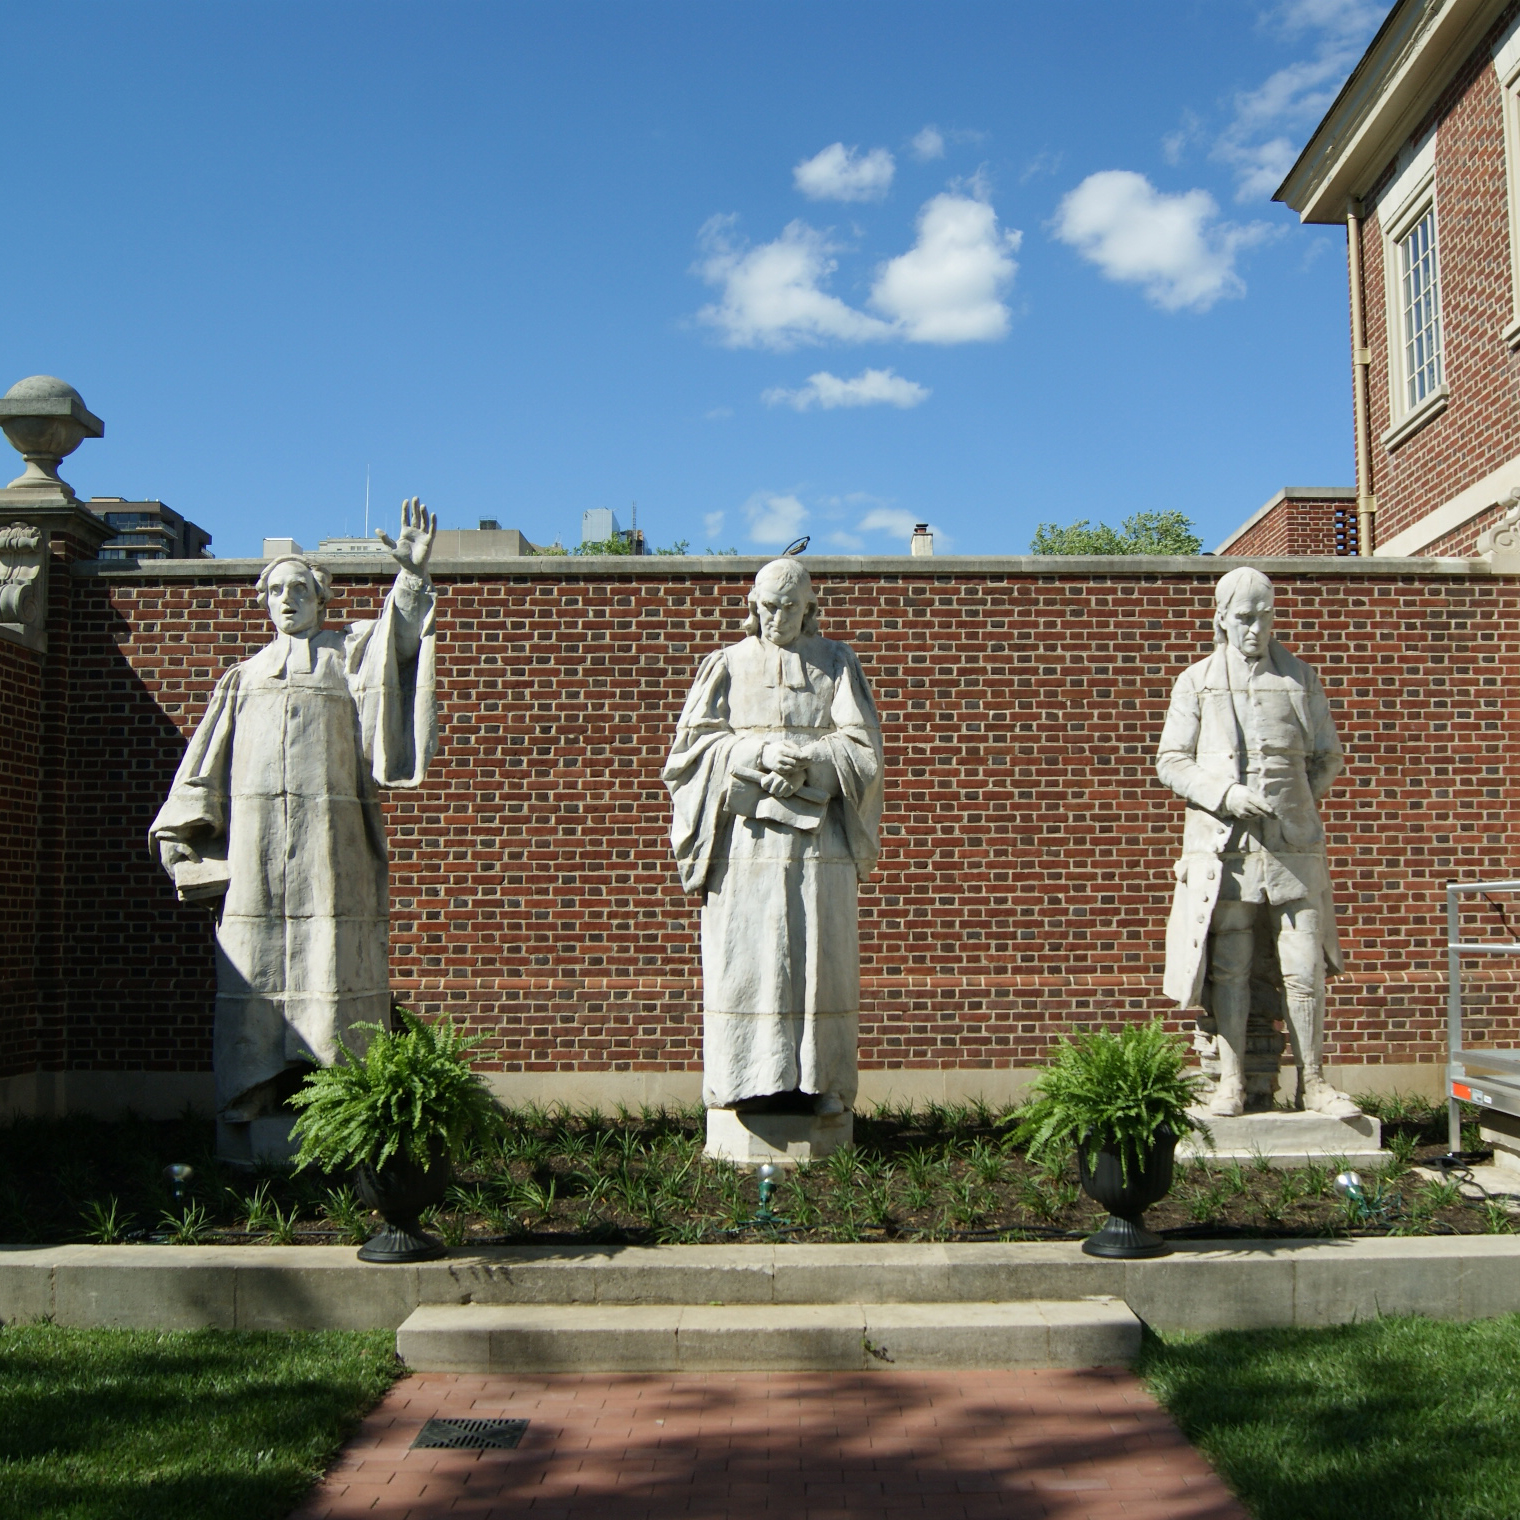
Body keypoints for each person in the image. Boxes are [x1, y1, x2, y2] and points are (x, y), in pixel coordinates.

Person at [150, 499, 439, 1150]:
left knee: (330, 978)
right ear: (264, 601)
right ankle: (250, 1104)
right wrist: (183, 842)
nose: (286, 599)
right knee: (254, 988)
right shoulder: (243, 679)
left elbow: (396, 646)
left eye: (298, 589)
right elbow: (203, 769)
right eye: (276, 590)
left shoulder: (343, 656)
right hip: (254, 869)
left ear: (320, 599)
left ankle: (346, 1112)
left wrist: (413, 580)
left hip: (330, 864)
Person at [663, 558, 884, 1117]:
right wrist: (756, 752)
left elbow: (864, 752)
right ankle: (743, 1081)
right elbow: (689, 756)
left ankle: (821, 1082)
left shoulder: (836, 662)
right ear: (751, 605)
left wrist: (810, 761)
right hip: (745, 846)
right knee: (748, 960)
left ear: (809, 608)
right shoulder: (726, 666)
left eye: (789, 606)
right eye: (767, 605)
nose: (776, 616)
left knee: (820, 959)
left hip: (819, 849)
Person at [1157, 566, 1359, 1119]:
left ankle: (1313, 1082)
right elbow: (1170, 761)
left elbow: (1327, 757)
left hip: (1293, 848)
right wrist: (1224, 794)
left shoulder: (1300, 679)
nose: (1256, 628)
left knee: (1304, 965)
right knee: (1231, 963)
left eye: (1265, 615)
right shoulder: (1194, 681)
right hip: (1226, 849)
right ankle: (1231, 1082)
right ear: (1221, 619)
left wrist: (1294, 803)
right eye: (1244, 618)